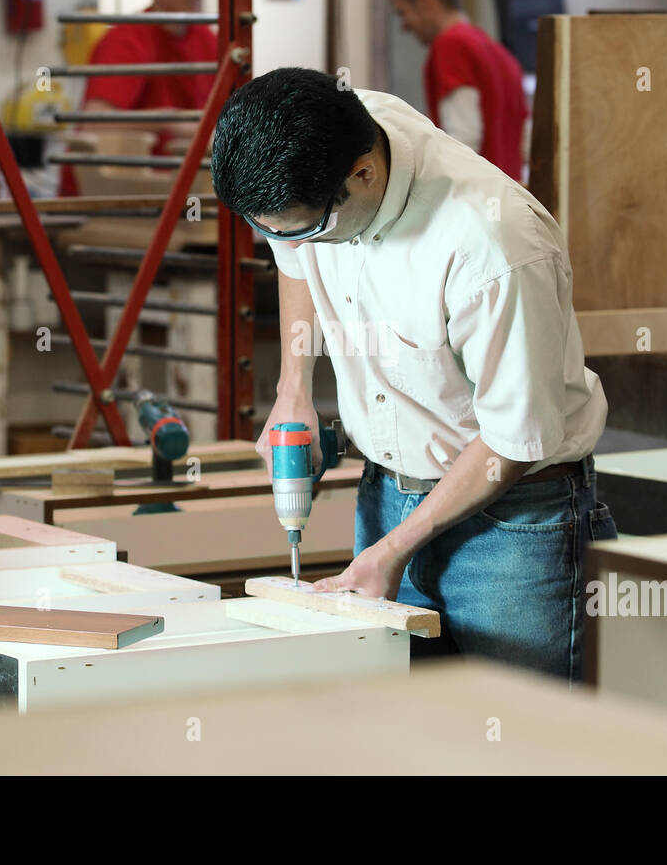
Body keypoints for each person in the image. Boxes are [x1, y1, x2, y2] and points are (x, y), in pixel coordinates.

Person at [211, 68, 615, 683]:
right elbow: (293, 251)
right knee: (404, 735)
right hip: (385, 496)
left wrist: (394, 550)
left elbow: (512, 439)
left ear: (364, 175)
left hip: (513, 523)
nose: (287, 242)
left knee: (527, 739)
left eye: (309, 227)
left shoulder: (493, 246)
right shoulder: (335, 131)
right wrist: (293, 390)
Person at [59, 0, 216, 194]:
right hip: (110, 196)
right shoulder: (126, 41)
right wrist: (168, 120)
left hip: (180, 193)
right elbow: (94, 124)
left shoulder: (209, 41)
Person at [388, 0, 529, 180]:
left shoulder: (451, 45)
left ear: (424, 1)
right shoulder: (496, 51)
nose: (404, 27)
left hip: (475, 201)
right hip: (508, 196)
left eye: (403, 13)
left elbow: (462, 139)